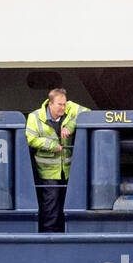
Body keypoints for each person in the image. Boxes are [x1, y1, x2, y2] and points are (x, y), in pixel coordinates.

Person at [25, 88, 88, 232]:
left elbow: (87, 113)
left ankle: (65, 230)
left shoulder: (70, 107)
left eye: (65, 104)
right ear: (50, 104)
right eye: (60, 104)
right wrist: (51, 145)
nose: (63, 107)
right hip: (47, 171)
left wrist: (70, 125)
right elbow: (31, 139)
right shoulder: (35, 117)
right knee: (51, 202)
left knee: (67, 200)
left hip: (67, 169)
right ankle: (50, 232)